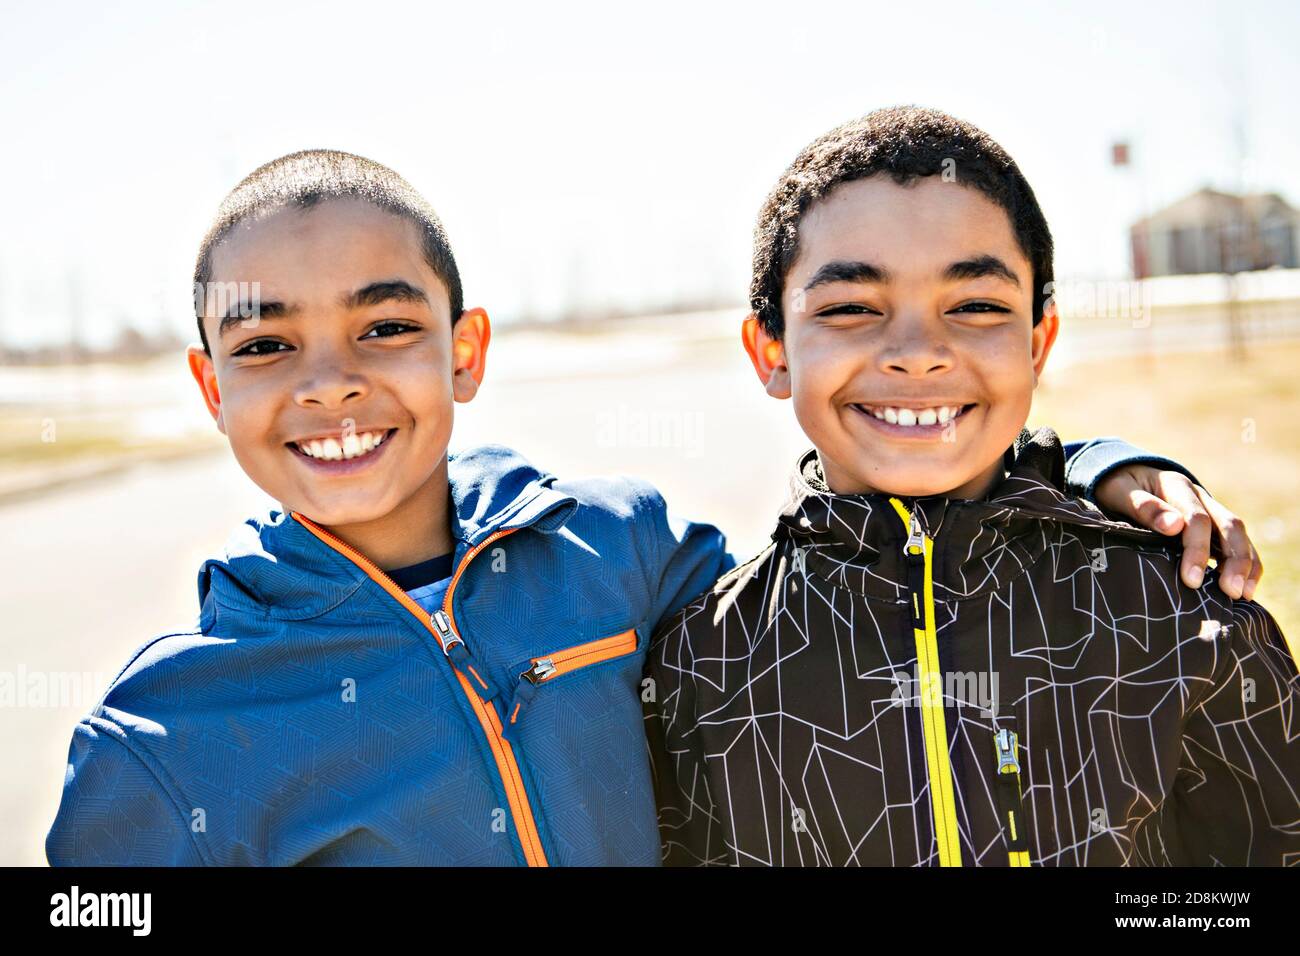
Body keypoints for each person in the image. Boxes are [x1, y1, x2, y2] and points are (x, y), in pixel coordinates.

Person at [45, 147, 1255, 866]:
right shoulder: (161, 739)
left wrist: (1085, 465)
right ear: (207, 383)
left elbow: (871, 541)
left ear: (464, 349)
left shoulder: (615, 551)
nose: (332, 382)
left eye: (386, 326)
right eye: (266, 343)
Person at [644, 107, 1297, 866]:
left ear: (1038, 342)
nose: (918, 354)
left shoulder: (1182, 613)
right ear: (772, 350)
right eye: (851, 307)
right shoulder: (704, 664)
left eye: (977, 306)